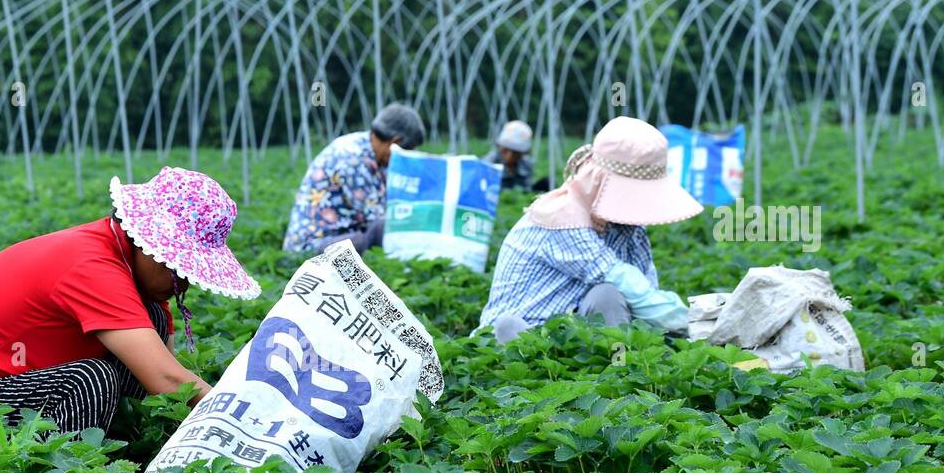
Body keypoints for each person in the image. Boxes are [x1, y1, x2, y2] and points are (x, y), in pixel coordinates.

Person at [0, 167, 261, 436]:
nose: (181, 282)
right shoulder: (91, 266)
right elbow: (167, 381)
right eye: (176, 267)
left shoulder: (126, 265)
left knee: (150, 321)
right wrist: (249, 422)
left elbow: (167, 368)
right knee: (91, 381)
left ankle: (125, 438)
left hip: (20, 379)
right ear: (145, 242)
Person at [477, 116, 702, 343]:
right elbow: (630, 285)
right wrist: (698, 326)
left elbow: (648, 294)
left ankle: (616, 371)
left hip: (574, 341)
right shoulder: (563, 219)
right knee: (509, 326)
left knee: (607, 295)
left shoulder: (630, 230)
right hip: (527, 334)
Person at [283, 102, 426, 255]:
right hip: (313, 246)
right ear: (395, 142)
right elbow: (379, 220)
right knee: (382, 230)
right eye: (406, 152)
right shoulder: (352, 159)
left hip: (343, 236)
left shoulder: (370, 150)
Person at [484, 120, 536, 191]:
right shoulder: (489, 163)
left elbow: (528, 188)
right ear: (500, 147)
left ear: (522, 153)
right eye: (506, 150)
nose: (510, 155)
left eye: (515, 152)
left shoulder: (527, 164)